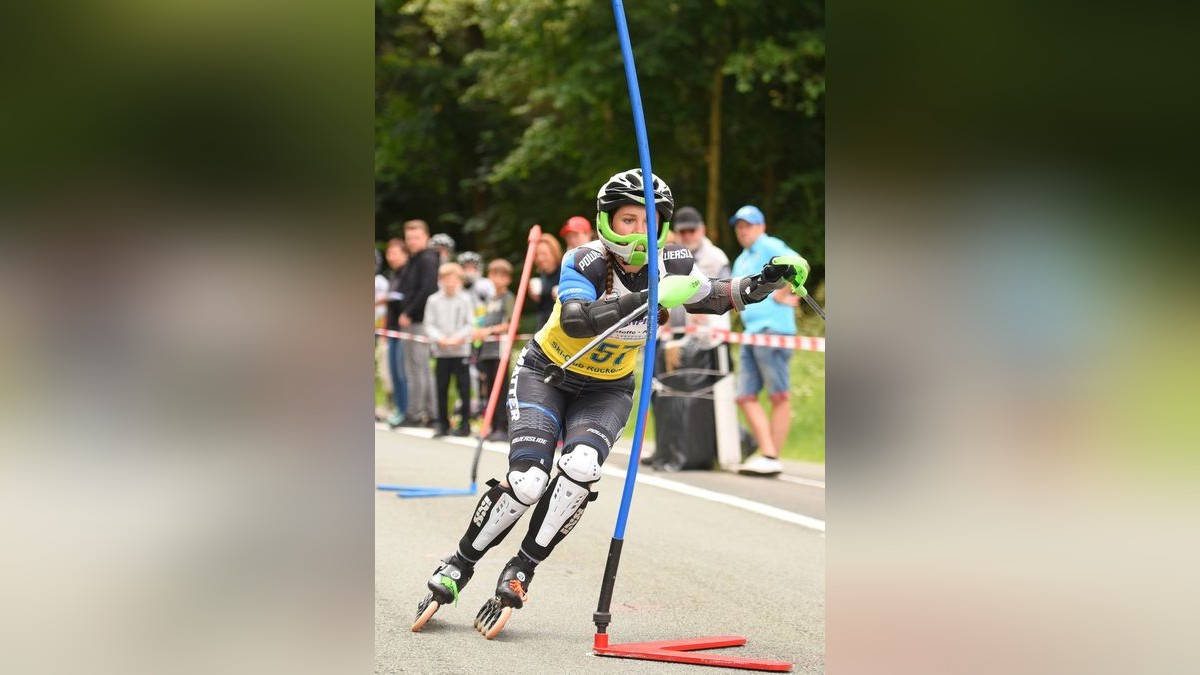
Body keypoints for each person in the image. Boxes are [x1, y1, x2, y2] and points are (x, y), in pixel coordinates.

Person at [411, 168, 808, 638]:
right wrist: (647, 298)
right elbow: (578, 322)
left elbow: (723, 296)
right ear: (606, 222)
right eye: (626, 220)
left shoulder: (673, 264)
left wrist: (769, 277)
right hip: (548, 374)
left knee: (581, 466)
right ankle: (459, 564)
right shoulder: (586, 259)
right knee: (529, 479)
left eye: (648, 221)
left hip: (608, 388)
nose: (637, 232)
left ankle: (521, 569)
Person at [729, 204, 803, 477]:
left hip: (774, 330)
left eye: (748, 225)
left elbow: (798, 264)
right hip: (751, 333)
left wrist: (785, 292)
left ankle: (771, 456)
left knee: (778, 395)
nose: (743, 231)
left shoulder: (770, 244)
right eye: (739, 226)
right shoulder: (741, 259)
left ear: (761, 227)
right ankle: (768, 452)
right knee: (745, 396)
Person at [394, 220, 441, 427]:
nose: (411, 242)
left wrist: (409, 312)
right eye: (409, 238)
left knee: (417, 369)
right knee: (420, 368)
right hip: (415, 319)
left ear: (426, 237)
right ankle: (430, 413)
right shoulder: (415, 260)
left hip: (419, 320)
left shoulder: (428, 259)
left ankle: (417, 413)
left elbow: (427, 289)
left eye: (416, 237)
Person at [424, 262, 477, 437]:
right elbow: (429, 324)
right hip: (441, 351)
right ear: (440, 281)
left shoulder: (465, 299)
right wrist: (441, 339)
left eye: (454, 281)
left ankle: (465, 423)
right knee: (441, 387)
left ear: (460, 281)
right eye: (446, 280)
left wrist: (458, 338)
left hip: (460, 350)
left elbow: (470, 323)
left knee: (463, 387)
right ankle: (442, 423)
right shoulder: (433, 300)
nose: (450, 284)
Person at [472, 258, 516, 442]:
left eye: (502, 275)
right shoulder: (490, 299)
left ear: (508, 279)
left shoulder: (507, 298)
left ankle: (502, 425)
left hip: (500, 349)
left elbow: (510, 323)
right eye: (494, 274)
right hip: (487, 349)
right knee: (489, 388)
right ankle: (491, 424)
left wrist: (489, 331)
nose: (497, 279)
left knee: (501, 388)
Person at [381, 239, 409, 428]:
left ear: (404, 254)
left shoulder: (408, 274)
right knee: (392, 371)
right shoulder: (393, 275)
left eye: (395, 253)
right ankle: (398, 408)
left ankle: (406, 410)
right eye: (389, 254)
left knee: (402, 372)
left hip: (404, 331)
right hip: (391, 330)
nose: (391, 257)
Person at [528, 233, 562, 328]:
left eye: (544, 254)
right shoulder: (542, 274)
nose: (540, 258)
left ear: (554, 252)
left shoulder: (565, 271)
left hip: (559, 327)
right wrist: (536, 297)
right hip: (544, 326)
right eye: (536, 255)